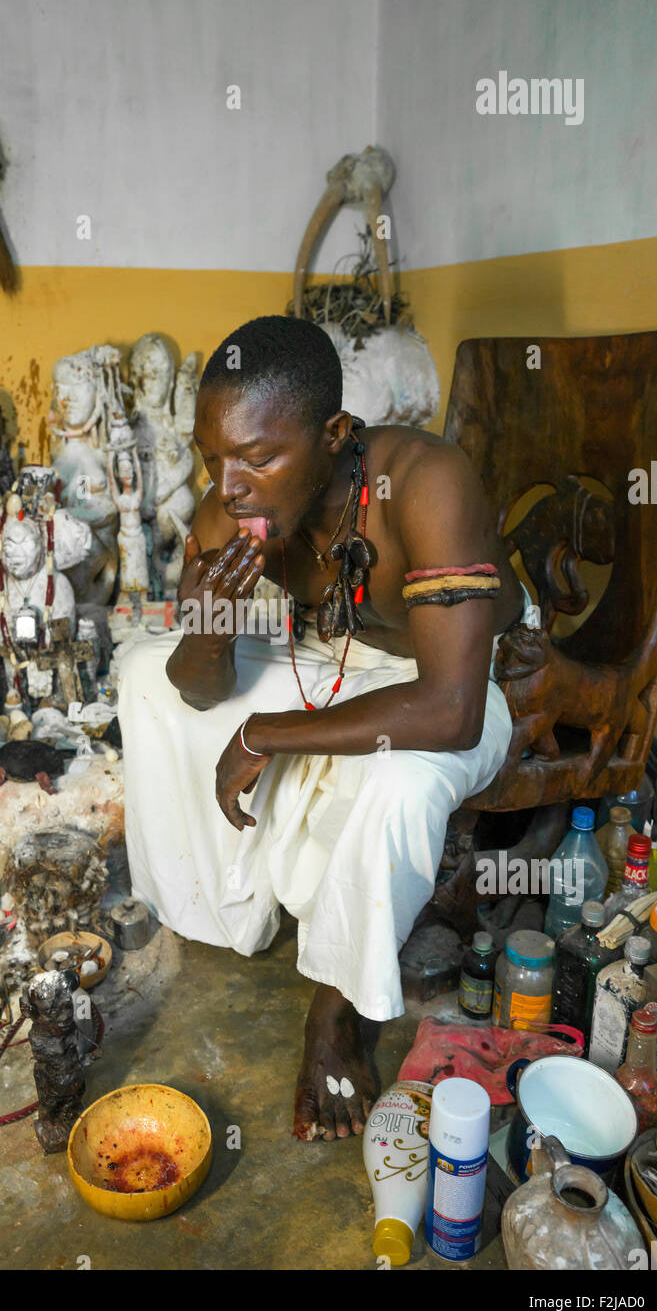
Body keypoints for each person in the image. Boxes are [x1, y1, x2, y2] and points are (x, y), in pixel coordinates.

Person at [118, 315, 533, 1142]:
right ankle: (237, 908)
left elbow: (449, 712)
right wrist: (208, 629)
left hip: (451, 678)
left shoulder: (426, 480)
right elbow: (195, 689)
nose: (230, 487)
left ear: (335, 433)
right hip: (330, 660)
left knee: (395, 784)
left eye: (257, 458)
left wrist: (265, 735)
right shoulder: (236, 504)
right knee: (140, 671)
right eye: (213, 458)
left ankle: (338, 1008)